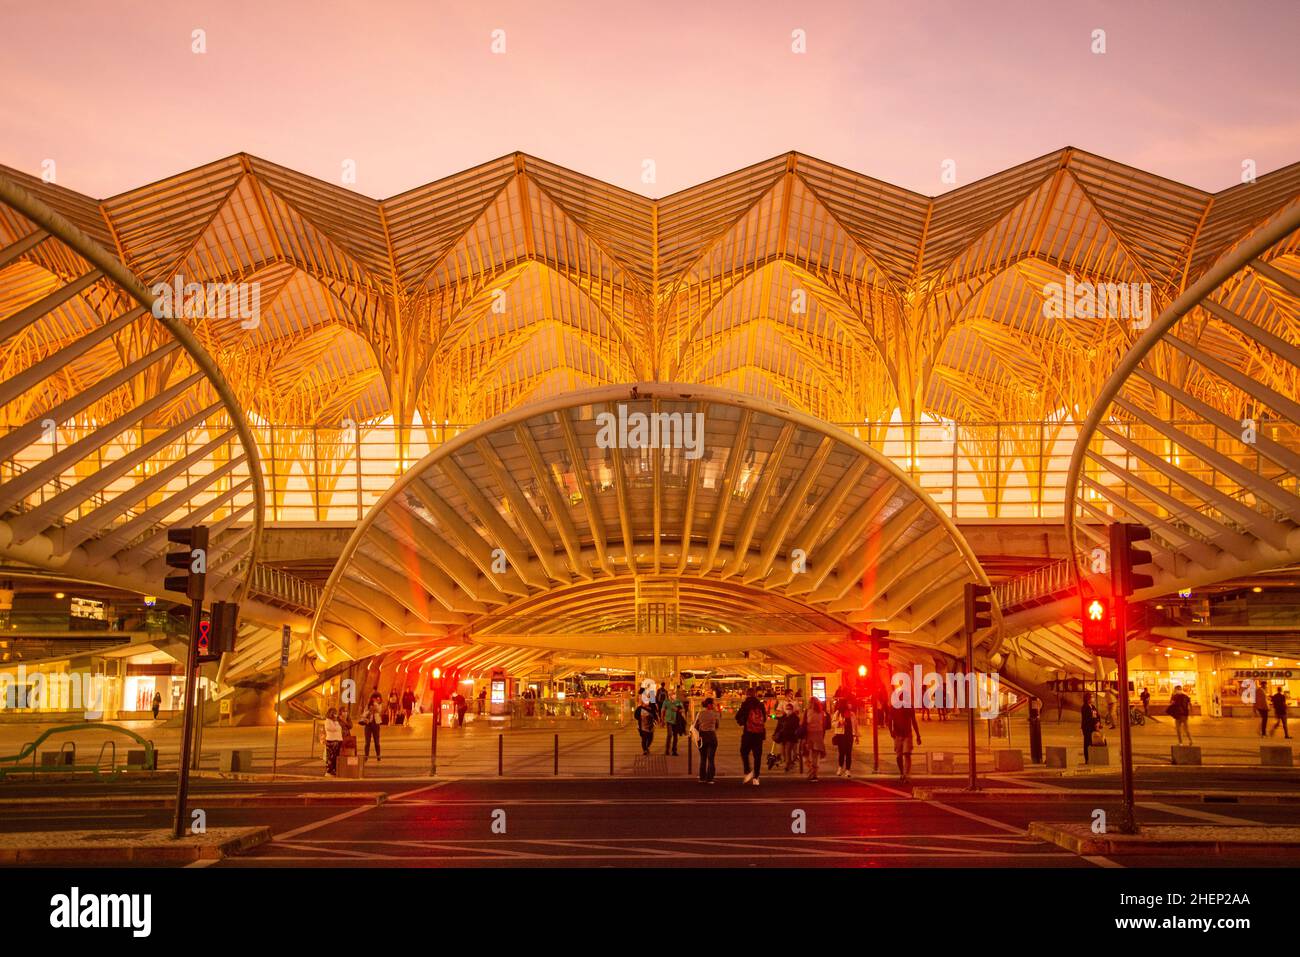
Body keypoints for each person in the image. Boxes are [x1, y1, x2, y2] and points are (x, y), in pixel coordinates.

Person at [735, 686, 767, 786]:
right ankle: (756, 778)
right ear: (755, 694)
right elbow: (764, 718)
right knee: (757, 756)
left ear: (747, 694)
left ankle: (748, 771)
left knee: (744, 751)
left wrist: (743, 721)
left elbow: (737, 716)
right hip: (759, 734)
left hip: (748, 733)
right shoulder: (760, 704)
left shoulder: (745, 704)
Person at [888, 702, 921, 781]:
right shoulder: (893, 707)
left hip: (907, 734)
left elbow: (913, 721)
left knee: (907, 754)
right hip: (898, 734)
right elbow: (889, 720)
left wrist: (918, 735)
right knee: (899, 756)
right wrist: (891, 731)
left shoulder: (909, 707)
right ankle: (902, 772)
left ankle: (906, 774)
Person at [800, 697, 829, 782]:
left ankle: (811, 770)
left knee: (804, 753)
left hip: (809, 734)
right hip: (819, 734)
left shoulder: (807, 711)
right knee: (815, 756)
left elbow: (803, 724)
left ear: (810, 703)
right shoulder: (822, 713)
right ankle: (815, 774)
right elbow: (824, 725)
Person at [694, 697, 720, 783]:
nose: (713, 705)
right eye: (713, 704)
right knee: (711, 758)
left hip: (702, 737)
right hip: (712, 736)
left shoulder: (699, 713)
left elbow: (696, 726)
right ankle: (710, 778)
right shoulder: (715, 714)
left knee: (703, 758)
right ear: (709, 705)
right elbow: (717, 726)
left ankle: (702, 777)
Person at [833, 701, 859, 778]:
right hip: (840, 735)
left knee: (848, 753)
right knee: (841, 752)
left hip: (849, 735)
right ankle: (840, 767)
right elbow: (833, 723)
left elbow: (856, 725)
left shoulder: (852, 714)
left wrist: (856, 736)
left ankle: (848, 770)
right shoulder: (838, 713)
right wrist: (840, 723)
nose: (847, 711)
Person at [774, 702, 800, 771]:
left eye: (790, 709)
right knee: (783, 752)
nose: (788, 710)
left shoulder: (795, 718)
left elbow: (796, 727)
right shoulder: (783, 717)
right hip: (783, 737)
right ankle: (788, 762)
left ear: (792, 709)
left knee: (788, 750)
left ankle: (787, 765)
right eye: (787, 709)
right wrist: (775, 734)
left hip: (791, 737)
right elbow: (778, 726)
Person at [662, 687, 685, 756]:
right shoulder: (666, 701)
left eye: (674, 694)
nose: (673, 695)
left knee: (675, 736)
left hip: (676, 721)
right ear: (669, 695)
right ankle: (667, 750)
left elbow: (682, 710)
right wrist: (662, 719)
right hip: (669, 720)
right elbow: (662, 710)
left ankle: (674, 750)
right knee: (669, 735)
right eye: (672, 694)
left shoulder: (678, 701)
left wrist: (677, 710)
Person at [361, 692, 383, 761]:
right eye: (376, 698)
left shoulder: (379, 705)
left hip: (376, 724)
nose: (377, 699)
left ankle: (378, 756)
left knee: (377, 741)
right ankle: (366, 756)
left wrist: (375, 705)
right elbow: (364, 714)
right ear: (373, 698)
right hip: (368, 724)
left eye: (378, 698)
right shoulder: (368, 705)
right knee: (367, 742)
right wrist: (369, 710)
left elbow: (379, 710)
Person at [1081, 692, 1101, 763]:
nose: (1093, 698)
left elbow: (1097, 715)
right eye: (1091, 697)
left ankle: (1094, 757)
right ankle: (1087, 759)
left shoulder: (1093, 707)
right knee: (1087, 742)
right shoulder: (1085, 707)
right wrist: (1094, 723)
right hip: (1087, 728)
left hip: (1095, 727)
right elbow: (1088, 718)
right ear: (1087, 699)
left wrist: (1098, 723)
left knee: (1094, 742)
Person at [323, 707, 343, 776]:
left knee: (336, 757)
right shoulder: (328, 721)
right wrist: (336, 722)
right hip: (332, 741)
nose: (335, 715)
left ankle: (334, 770)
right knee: (331, 757)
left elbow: (339, 729)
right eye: (334, 713)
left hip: (338, 740)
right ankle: (329, 771)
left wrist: (337, 721)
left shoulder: (336, 721)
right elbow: (332, 729)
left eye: (335, 713)